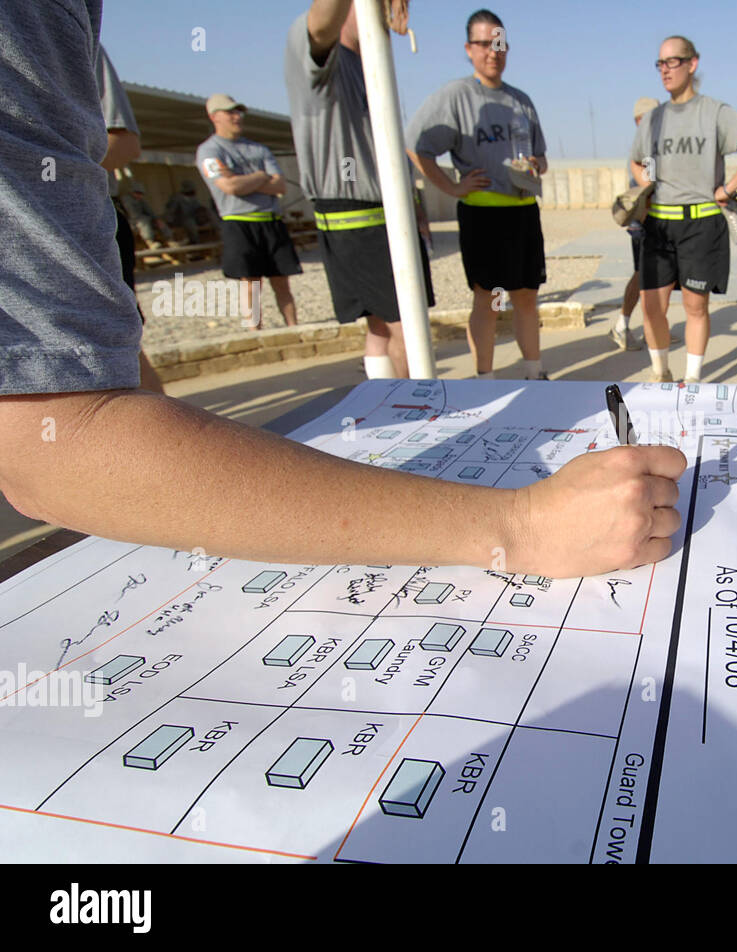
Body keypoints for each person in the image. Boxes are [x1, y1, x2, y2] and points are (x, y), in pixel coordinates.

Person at [0, 0, 686, 579]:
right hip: (357, 221)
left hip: (405, 219)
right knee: (385, 323)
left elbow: (90, 396)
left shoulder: (391, 79)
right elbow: (53, 440)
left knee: (421, 313)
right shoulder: (324, 58)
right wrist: (519, 525)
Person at [284, 0, 436, 379]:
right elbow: (321, 26)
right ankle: (423, 413)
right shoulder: (322, 55)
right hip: (360, 215)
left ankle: (389, 409)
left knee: (381, 324)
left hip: (383, 213)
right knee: (404, 324)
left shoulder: (371, 68)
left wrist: (414, 203)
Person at [405, 8, 549, 381]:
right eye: (484, 43)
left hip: (523, 211)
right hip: (482, 214)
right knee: (488, 299)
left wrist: (535, 164)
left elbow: (543, 158)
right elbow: (416, 146)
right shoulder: (456, 96)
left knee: (526, 297)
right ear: (469, 49)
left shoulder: (521, 100)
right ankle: (485, 379)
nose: (493, 51)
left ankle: (534, 372)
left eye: (499, 43)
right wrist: (452, 187)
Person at [629, 36, 737, 383]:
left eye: (672, 62)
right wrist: (646, 190)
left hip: (702, 222)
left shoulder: (714, 112)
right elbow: (636, 162)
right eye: (660, 63)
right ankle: (660, 372)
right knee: (652, 306)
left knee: (695, 306)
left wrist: (729, 187)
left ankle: (692, 379)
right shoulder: (653, 119)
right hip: (660, 225)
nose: (665, 70)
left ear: (692, 64)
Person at [196, 93, 301, 329]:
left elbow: (280, 186)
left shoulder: (259, 149)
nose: (236, 116)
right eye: (230, 112)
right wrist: (262, 177)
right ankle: (255, 331)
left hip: (271, 221)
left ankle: (293, 327)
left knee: (282, 281)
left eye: (238, 111)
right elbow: (229, 187)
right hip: (239, 222)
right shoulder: (209, 151)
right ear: (214, 117)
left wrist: (246, 181)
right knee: (251, 283)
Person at [95, 46, 164, 394]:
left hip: (82, 221)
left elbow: (123, 142)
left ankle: (163, 443)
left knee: (122, 347)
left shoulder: (59, 19)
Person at [608, 96, 660, 352]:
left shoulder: (651, 145)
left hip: (654, 222)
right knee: (644, 275)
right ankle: (621, 325)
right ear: (640, 120)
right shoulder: (645, 149)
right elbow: (649, 187)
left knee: (658, 277)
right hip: (645, 223)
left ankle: (656, 329)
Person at [164, 180, 206, 247]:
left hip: (192, 218)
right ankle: (194, 242)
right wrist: (169, 222)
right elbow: (170, 211)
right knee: (190, 222)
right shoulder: (176, 198)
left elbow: (199, 207)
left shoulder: (193, 199)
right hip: (180, 220)